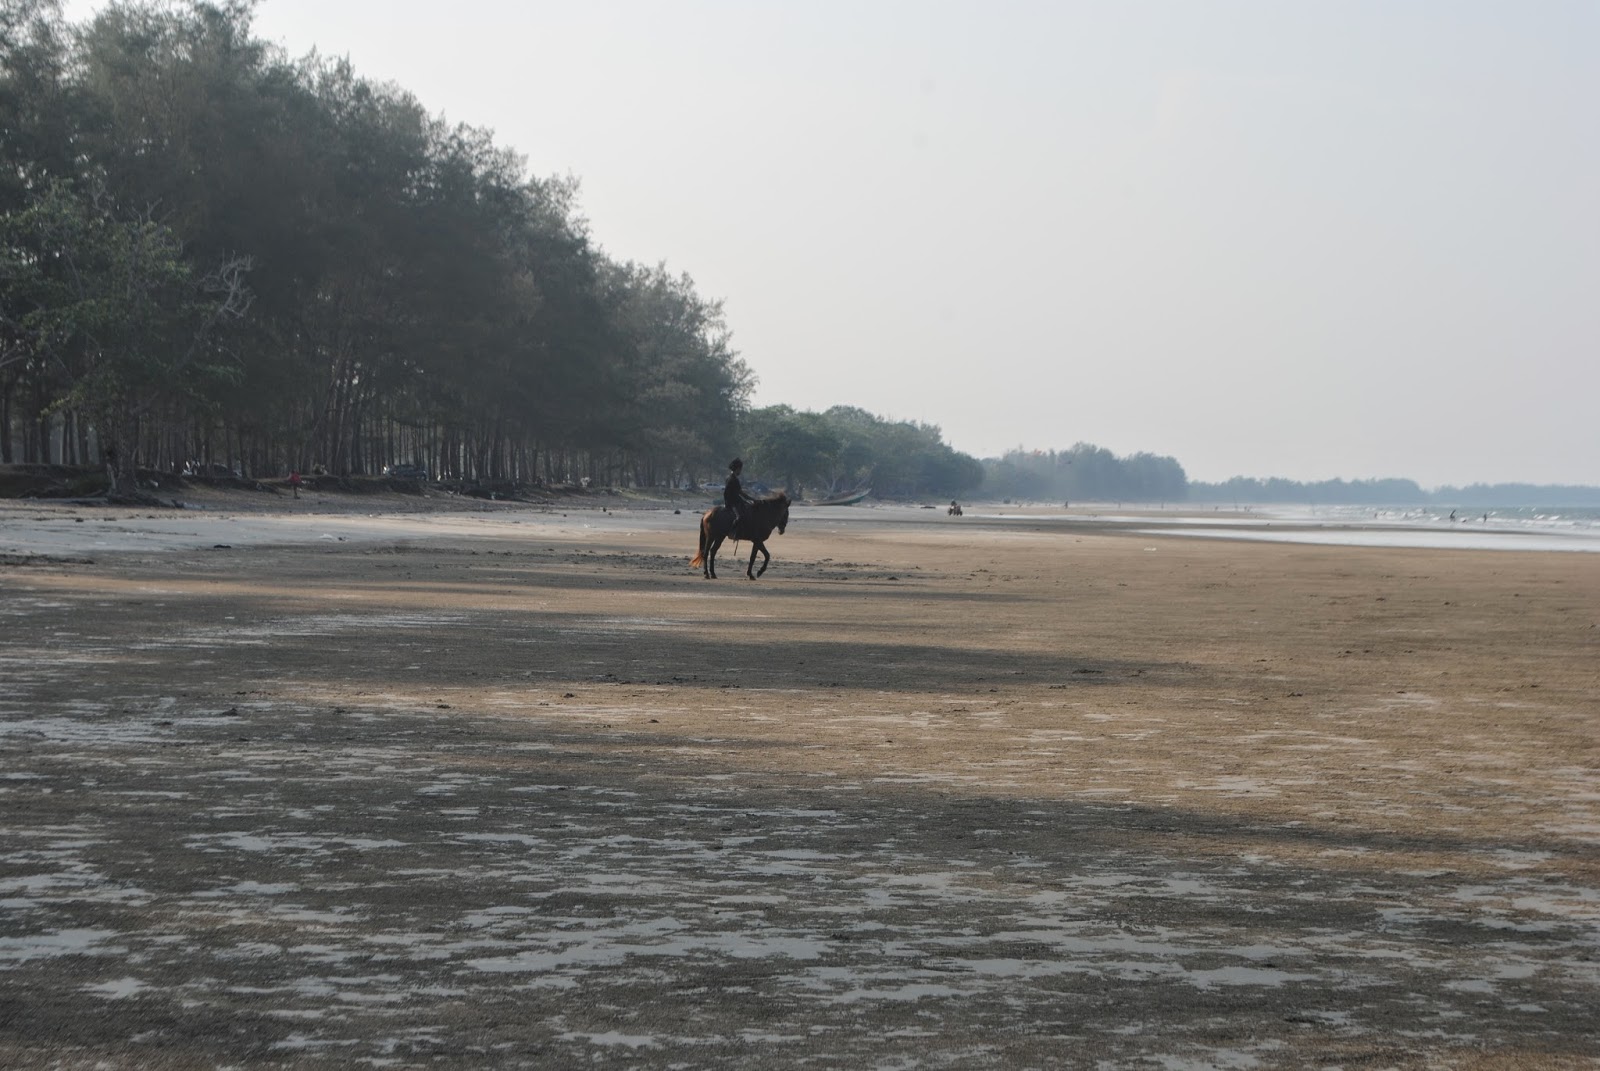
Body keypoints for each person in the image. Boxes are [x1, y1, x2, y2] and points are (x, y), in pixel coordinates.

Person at [724, 458, 753, 534]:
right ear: (737, 469)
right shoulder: (733, 479)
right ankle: (733, 531)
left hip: (732, 500)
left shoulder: (728, 478)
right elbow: (740, 493)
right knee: (739, 517)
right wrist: (752, 499)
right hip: (733, 503)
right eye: (740, 469)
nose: (740, 471)